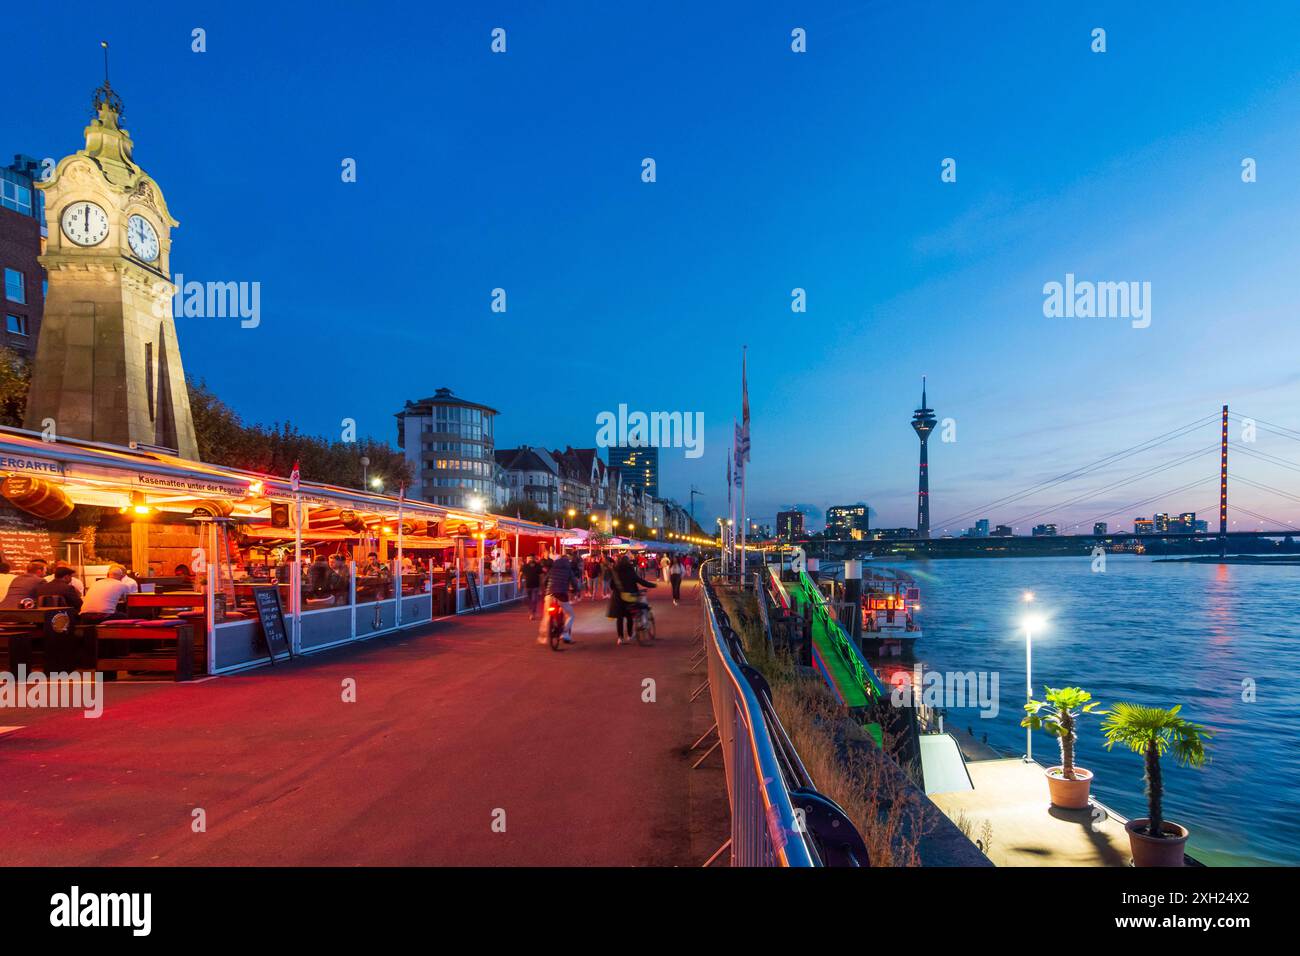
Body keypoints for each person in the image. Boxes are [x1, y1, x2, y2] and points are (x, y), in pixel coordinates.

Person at [607, 554, 656, 645]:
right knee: (629, 617)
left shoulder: (616, 571)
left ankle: (620, 638)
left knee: (620, 618)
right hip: (630, 597)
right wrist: (652, 585)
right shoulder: (630, 570)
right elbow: (640, 580)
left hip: (618, 597)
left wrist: (618, 590)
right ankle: (630, 635)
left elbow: (612, 585)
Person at [539, 551, 578, 645]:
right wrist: (575, 590)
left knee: (547, 615)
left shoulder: (552, 568)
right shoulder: (568, 569)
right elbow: (574, 582)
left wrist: (545, 591)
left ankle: (543, 637)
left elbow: (544, 581)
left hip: (549, 594)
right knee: (570, 615)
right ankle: (565, 634)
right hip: (561, 595)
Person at [520, 555, 543, 620]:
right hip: (527, 586)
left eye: (531, 558)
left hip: (536, 586)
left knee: (534, 600)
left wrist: (541, 586)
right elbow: (520, 575)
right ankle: (531, 611)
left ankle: (532, 613)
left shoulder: (538, 566)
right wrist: (519, 583)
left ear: (533, 559)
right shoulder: (525, 566)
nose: (530, 559)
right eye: (528, 558)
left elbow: (541, 576)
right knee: (528, 600)